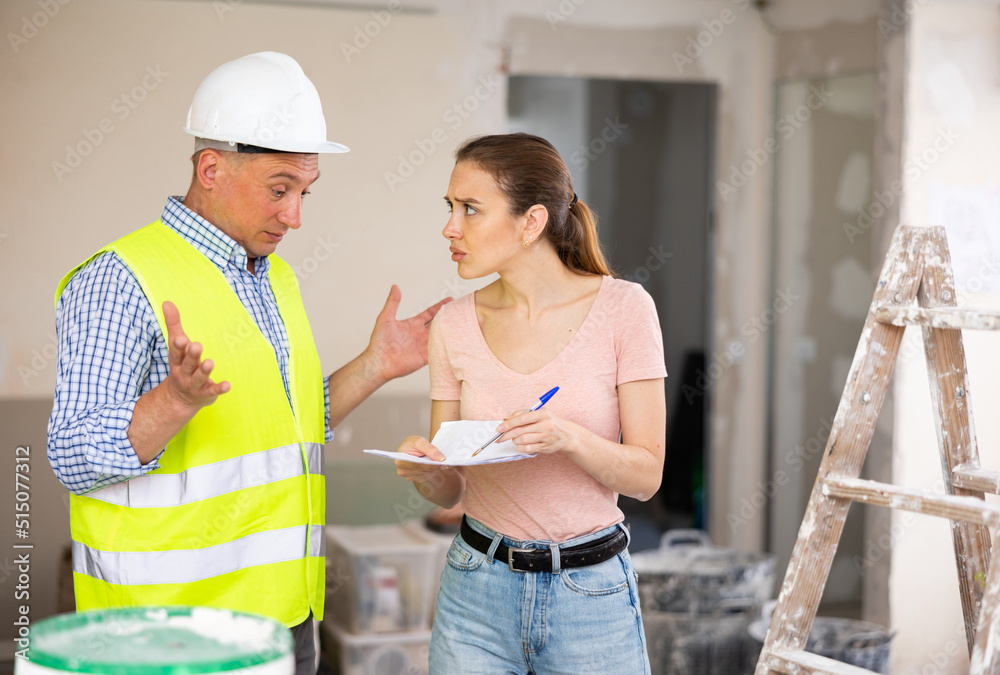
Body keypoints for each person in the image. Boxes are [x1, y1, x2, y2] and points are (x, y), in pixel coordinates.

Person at [46, 52, 448, 675]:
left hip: (285, 619)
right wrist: (172, 402)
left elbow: (283, 425)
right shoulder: (119, 280)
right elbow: (72, 454)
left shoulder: (274, 277)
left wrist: (376, 364)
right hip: (170, 633)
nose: (295, 216)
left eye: (305, 192)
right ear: (210, 168)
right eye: (280, 190)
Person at [394, 132, 667, 674]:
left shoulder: (624, 310)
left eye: (470, 209)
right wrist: (426, 473)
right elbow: (452, 485)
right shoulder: (452, 325)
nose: (451, 227)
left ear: (531, 222)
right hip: (476, 589)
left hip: (591, 596)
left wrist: (569, 438)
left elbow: (646, 475)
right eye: (450, 208)